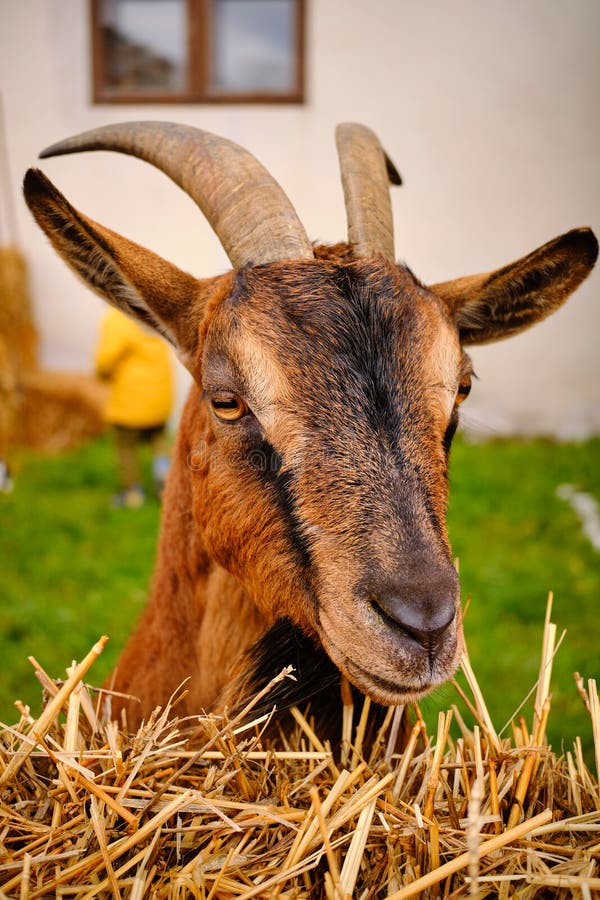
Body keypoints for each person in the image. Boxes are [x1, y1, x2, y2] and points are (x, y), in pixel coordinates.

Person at [95, 308, 173, 507]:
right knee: (159, 441)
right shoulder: (151, 315)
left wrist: (101, 374)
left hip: (132, 400)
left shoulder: (119, 319)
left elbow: (105, 361)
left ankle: (132, 493)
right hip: (159, 397)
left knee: (126, 446)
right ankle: (164, 482)